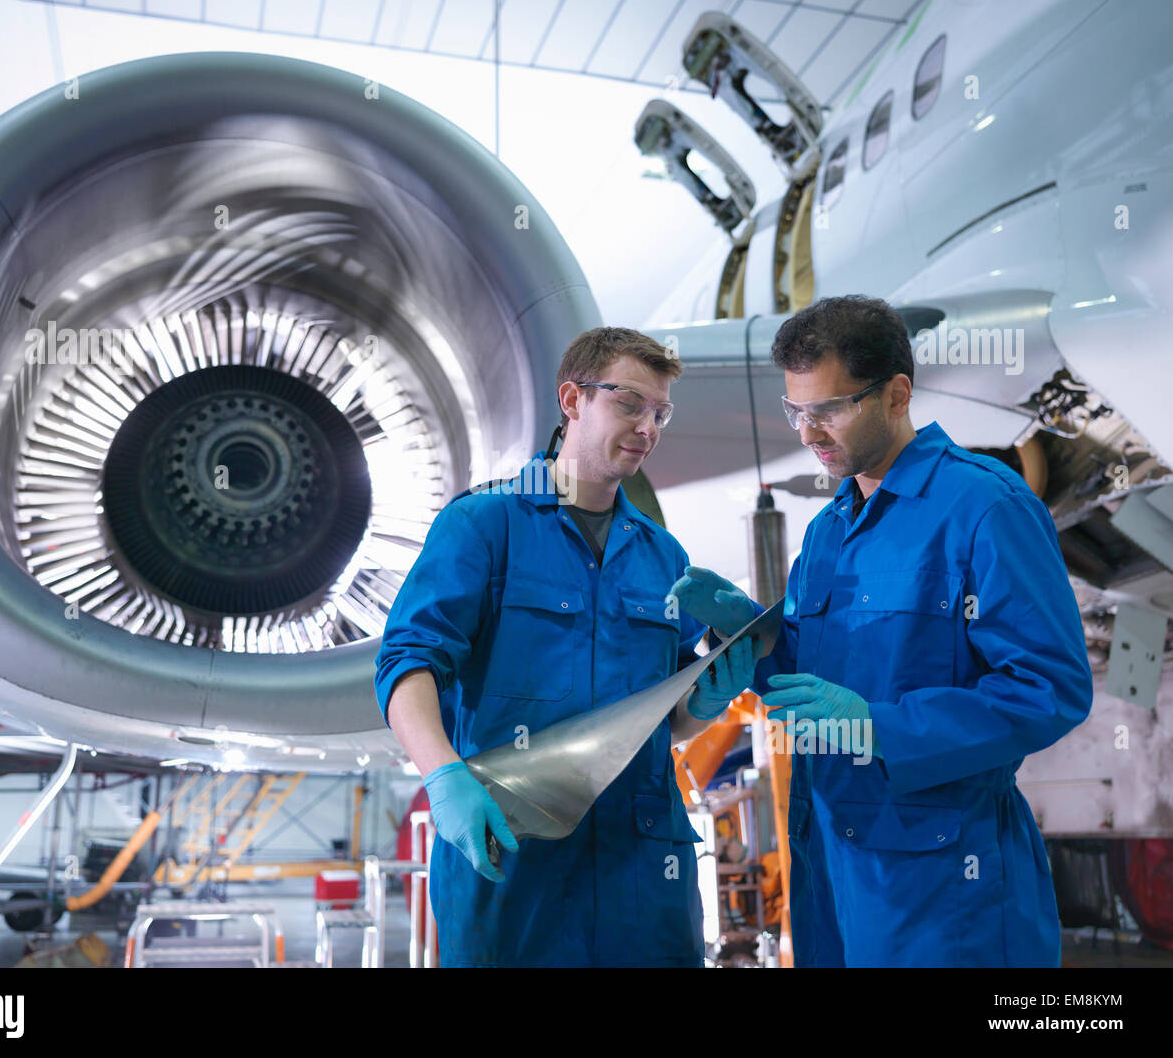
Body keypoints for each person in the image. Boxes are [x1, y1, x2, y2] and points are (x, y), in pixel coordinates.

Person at [670, 295, 1092, 967]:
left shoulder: (985, 507)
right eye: (796, 410)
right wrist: (752, 641)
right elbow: (808, 680)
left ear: (897, 393)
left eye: (829, 409)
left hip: (948, 887)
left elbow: (1051, 688)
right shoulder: (828, 531)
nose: (808, 433)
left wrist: (880, 725)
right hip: (831, 874)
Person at [374, 327, 754, 967]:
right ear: (573, 399)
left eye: (660, 412)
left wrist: (708, 695)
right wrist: (443, 777)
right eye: (630, 403)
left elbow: (669, 723)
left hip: (644, 871)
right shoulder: (484, 525)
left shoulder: (663, 555)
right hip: (516, 859)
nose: (648, 427)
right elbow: (408, 660)